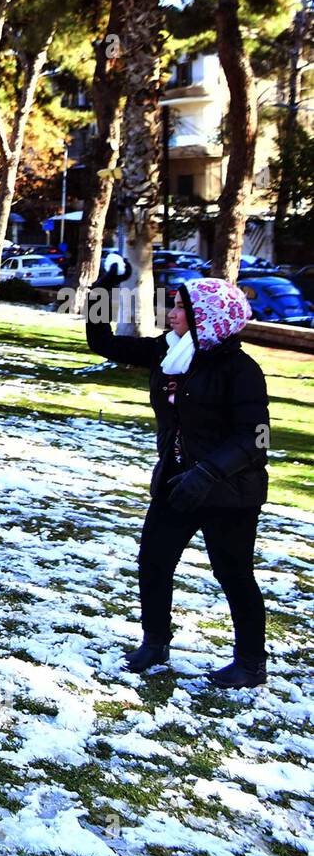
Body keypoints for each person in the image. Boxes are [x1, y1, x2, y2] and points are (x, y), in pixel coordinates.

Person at [85, 262, 270, 688]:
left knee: (234, 573)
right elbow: (104, 344)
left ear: (205, 316)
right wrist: (103, 292)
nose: (171, 314)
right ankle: (155, 644)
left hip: (230, 492)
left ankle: (250, 664)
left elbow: (256, 437)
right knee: (153, 561)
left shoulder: (241, 370)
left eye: (181, 308)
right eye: (172, 306)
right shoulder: (171, 352)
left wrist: (206, 474)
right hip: (176, 482)